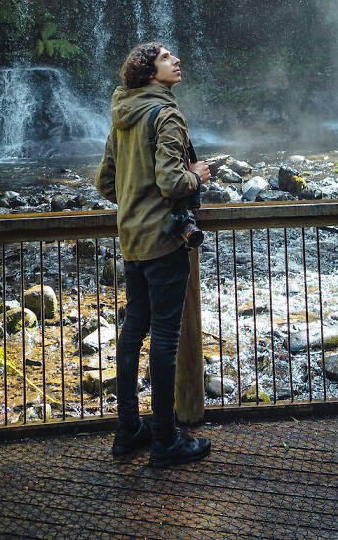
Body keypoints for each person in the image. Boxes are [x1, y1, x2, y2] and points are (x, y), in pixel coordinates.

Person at [95, 41, 213, 467]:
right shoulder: (165, 114)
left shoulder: (122, 117)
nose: (177, 60)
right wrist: (195, 177)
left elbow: (105, 184)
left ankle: (128, 430)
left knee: (133, 331)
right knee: (164, 338)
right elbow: (171, 181)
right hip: (163, 241)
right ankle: (165, 439)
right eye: (166, 58)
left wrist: (134, 198)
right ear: (149, 73)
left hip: (131, 241)